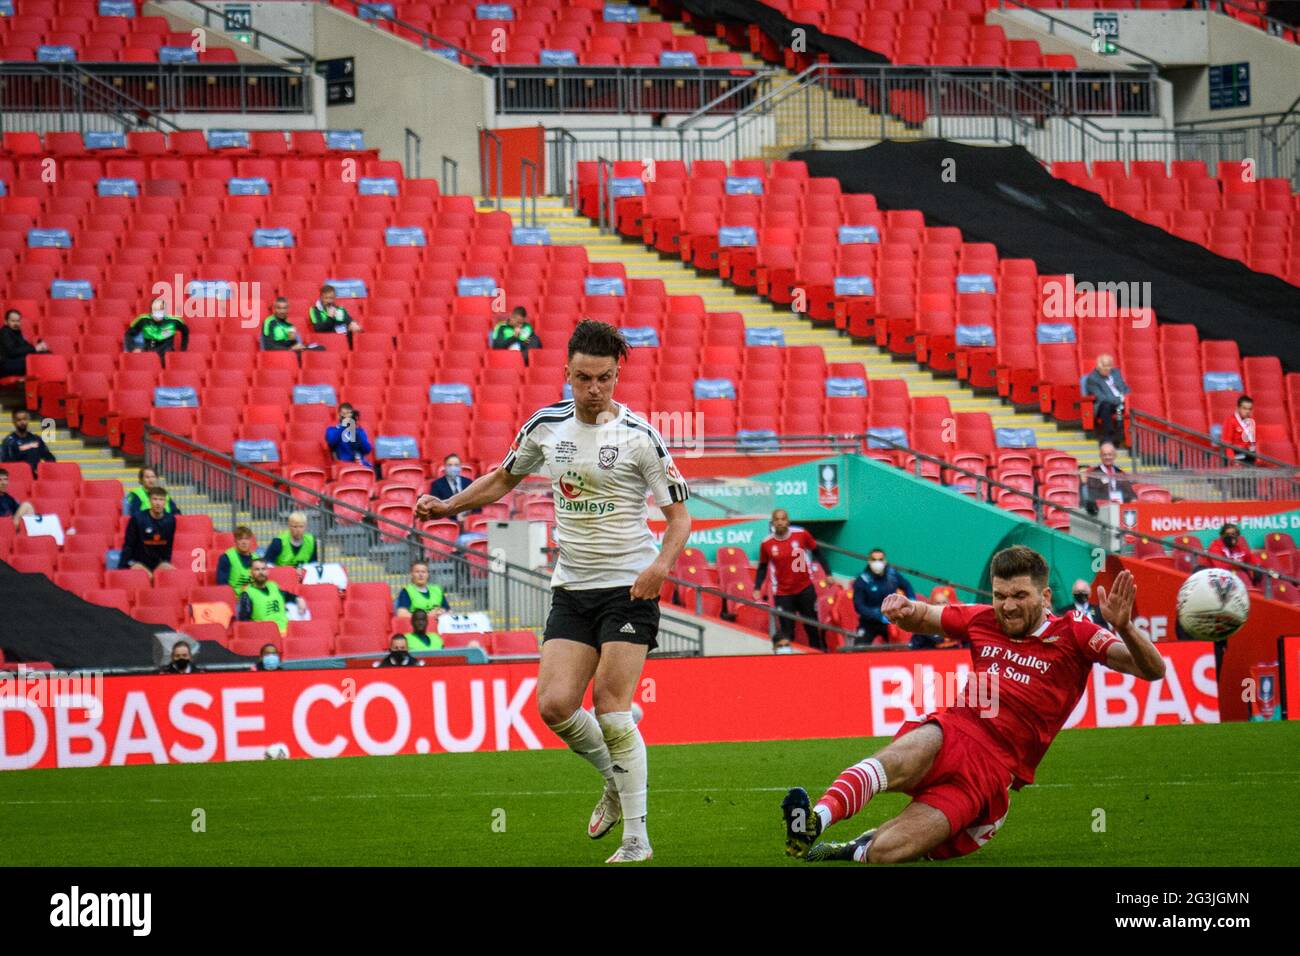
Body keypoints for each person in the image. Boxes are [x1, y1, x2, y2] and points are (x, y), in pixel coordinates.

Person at [413, 319, 691, 863]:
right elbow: (501, 479)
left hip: (628, 587)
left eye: (604, 379)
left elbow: (680, 518)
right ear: (566, 372)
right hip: (572, 588)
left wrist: (661, 566)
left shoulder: (639, 436)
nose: (594, 390)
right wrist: (448, 507)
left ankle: (637, 839)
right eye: (584, 378)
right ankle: (616, 776)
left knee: (611, 707)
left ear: (617, 375)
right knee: (555, 705)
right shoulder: (545, 427)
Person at [783, 547, 1165, 864]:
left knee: (888, 852)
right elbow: (926, 617)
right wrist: (902, 607)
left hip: (993, 772)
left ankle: (857, 849)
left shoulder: (1076, 633)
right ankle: (813, 821)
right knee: (899, 757)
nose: (1008, 607)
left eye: (1019, 596)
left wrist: (1126, 628)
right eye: (1000, 596)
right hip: (955, 731)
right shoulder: (983, 619)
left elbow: (1152, 670)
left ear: (1045, 597)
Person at [753, 507, 827, 653]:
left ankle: (818, 657)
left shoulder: (801, 534)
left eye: (783, 519)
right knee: (787, 632)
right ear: (772, 523)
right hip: (782, 593)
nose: (780, 522)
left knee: (812, 627)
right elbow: (762, 567)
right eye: (777, 519)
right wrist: (757, 588)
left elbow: (817, 552)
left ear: (788, 521)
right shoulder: (766, 543)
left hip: (805, 589)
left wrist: (828, 573)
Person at [852, 549, 915, 645]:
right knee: (858, 648)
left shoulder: (892, 575)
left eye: (880, 559)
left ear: (885, 561)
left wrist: (912, 601)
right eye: (874, 559)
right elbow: (859, 606)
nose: (877, 562)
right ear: (869, 561)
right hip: (869, 622)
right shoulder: (862, 580)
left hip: (891, 621)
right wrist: (877, 615)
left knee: (905, 645)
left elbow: (907, 585)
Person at [237, 559, 307, 635]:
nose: (261, 572)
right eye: (257, 569)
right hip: (266, 636)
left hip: (287, 632)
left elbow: (287, 595)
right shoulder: (246, 594)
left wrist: (298, 599)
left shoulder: (273, 586)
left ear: (267, 571)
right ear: (250, 573)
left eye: (263, 569)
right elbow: (244, 624)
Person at [118, 486, 177, 578]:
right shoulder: (137, 519)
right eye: (155, 499)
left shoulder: (170, 520)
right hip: (138, 562)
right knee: (148, 577)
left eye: (161, 499)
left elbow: (169, 546)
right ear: (149, 501)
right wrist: (121, 568)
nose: (158, 503)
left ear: (165, 502)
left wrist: (166, 563)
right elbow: (128, 545)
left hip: (158, 563)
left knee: (173, 574)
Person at [1083, 353, 1129, 446]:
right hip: (1105, 405)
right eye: (1105, 366)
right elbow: (1101, 397)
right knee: (1106, 406)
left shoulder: (1116, 373)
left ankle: (1119, 435)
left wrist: (1127, 397)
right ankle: (1109, 434)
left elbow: (1125, 388)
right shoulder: (1092, 379)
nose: (1108, 368)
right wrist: (1119, 399)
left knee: (1120, 412)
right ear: (1098, 366)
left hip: (1119, 405)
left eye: (1109, 366)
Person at [1081, 441, 1137, 515]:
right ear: (1100, 456)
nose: (1107, 457)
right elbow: (1092, 494)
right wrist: (1109, 500)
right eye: (1104, 455)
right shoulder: (1094, 473)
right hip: (1103, 510)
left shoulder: (1120, 473)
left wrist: (1133, 499)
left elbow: (1129, 492)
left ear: (1114, 456)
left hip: (1121, 509)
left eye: (1110, 454)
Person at [0, 307, 48, 377]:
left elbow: (26, 347)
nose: (16, 323)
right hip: (6, 364)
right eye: (13, 321)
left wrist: (39, 348)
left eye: (18, 321)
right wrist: (35, 349)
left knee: (46, 354)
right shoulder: (4, 332)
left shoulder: (17, 332)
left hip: (17, 360)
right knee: (33, 362)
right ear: (6, 322)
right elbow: (12, 352)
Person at [324, 403, 372, 468]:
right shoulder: (332, 430)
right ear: (338, 415)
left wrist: (355, 431)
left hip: (360, 464)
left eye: (348, 414)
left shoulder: (359, 431)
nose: (346, 417)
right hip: (343, 464)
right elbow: (332, 441)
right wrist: (343, 426)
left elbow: (367, 449)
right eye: (344, 414)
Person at [216, 525, 257, 593]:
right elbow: (222, 586)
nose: (244, 542)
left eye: (246, 539)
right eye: (240, 539)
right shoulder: (226, 558)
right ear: (235, 541)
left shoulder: (256, 558)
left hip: (254, 598)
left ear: (250, 541)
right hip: (234, 599)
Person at [1222, 395, 1257, 466]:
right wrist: (1232, 459)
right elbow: (1227, 443)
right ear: (1238, 408)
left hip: (1249, 455)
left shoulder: (1251, 421)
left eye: (1250, 409)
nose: (1247, 411)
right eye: (1244, 408)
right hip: (1237, 456)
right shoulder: (1230, 421)